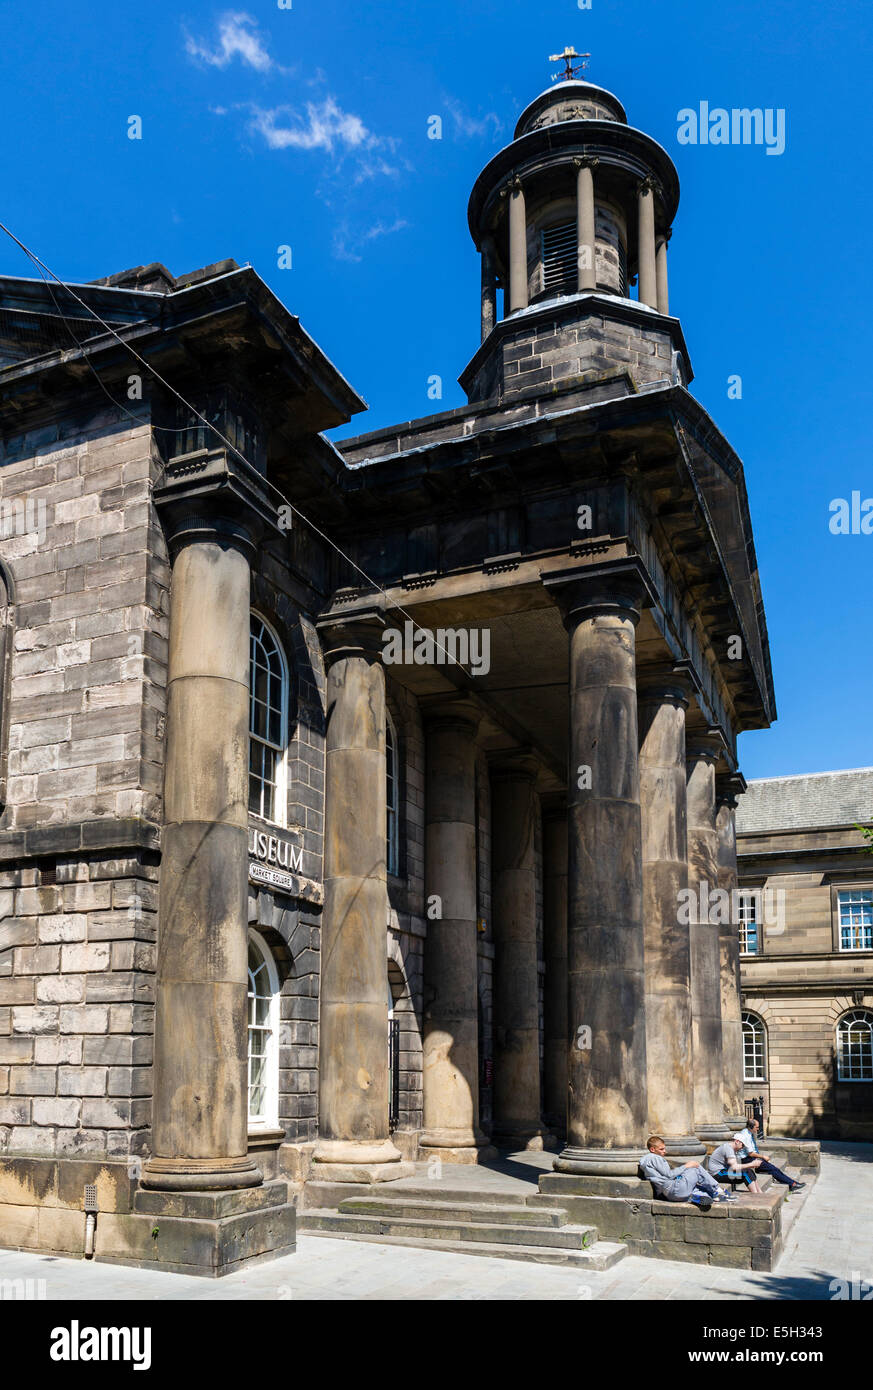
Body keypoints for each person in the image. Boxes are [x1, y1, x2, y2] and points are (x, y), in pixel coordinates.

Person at [639, 1135, 738, 1210]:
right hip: (674, 1189)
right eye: (661, 1149)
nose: (665, 1151)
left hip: (671, 1195)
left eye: (664, 1148)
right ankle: (717, 1191)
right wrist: (686, 1165)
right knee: (695, 1167)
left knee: (699, 1188)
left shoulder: (645, 1161)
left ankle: (699, 1197)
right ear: (652, 1149)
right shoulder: (655, 1158)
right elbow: (669, 1175)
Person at [737, 1118, 806, 1194]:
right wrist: (762, 1156)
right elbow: (750, 1153)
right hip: (748, 1159)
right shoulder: (745, 1135)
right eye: (756, 1127)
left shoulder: (748, 1133)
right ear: (751, 1127)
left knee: (774, 1168)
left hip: (752, 1157)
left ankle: (793, 1183)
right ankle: (792, 1184)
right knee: (772, 1169)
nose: (758, 1129)